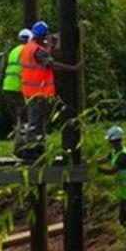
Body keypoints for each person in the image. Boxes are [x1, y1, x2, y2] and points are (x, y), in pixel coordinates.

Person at [19, 21, 80, 163]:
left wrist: (50, 47)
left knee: (36, 123)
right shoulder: (38, 51)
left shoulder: (29, 48)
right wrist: (74, 68)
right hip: (39, 92)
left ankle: (37, 149)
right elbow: (50, 64)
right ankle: (31, 151)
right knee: (36, 123)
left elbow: (43, 57)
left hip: (31, 91)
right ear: (42, 35)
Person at [3, 29, 32, 154]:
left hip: (8, 87)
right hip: (18, 88)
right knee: (25, 119)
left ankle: (19, 146)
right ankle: (21, 148)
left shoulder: (14, 51)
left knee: (18, 119)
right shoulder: (26, 51)